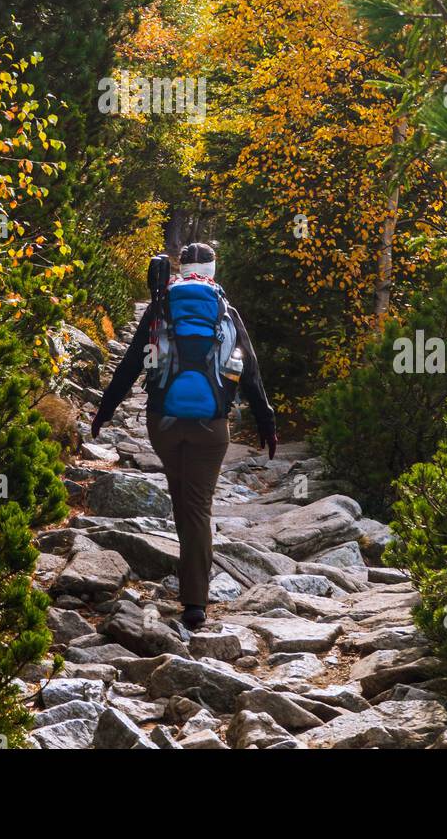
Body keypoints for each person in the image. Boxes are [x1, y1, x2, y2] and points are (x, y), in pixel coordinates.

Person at [90, 242, 277, 630]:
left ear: (181, 267)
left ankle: (189, 583)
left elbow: (129, 366)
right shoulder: (225, 311)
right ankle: (195, 603)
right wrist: (267, 424)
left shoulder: (163, 307)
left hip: (164, 424)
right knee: (197, 509)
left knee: (182, 502)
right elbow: (252, 373)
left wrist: (104, 412)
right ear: (213, 269)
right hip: (212, 426)